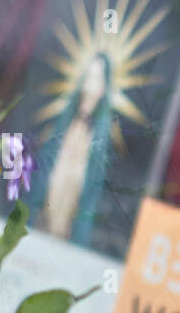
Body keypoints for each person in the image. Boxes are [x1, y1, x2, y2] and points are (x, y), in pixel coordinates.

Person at [26, 52, 115, 245]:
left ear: (104, 87)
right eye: (89, 77)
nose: (91, 86)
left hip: (67, 232)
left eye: (97, 79)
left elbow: (89, 198)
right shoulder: (65, 125)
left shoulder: (97, 142)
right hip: (42, 222)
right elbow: (44, 174)